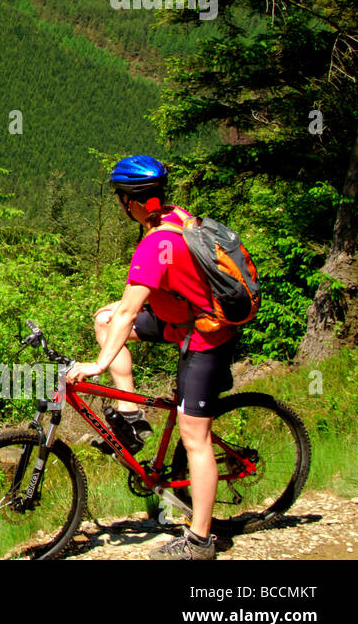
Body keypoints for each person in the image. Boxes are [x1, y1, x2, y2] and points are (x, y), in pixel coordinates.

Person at [64, 155, 236, 560]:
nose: (122, 205)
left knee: (196, 438)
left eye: (122, 198)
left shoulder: (155, 242)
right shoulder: (172, 218)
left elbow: (130, 311)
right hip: (182, 316)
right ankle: (131, 419)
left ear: (133, 202)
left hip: (206, 334)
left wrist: (97, 365)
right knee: (105, 320)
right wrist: (127, 309)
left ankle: (200, 541)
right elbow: (130, 307)